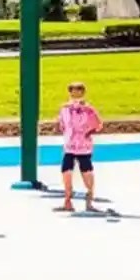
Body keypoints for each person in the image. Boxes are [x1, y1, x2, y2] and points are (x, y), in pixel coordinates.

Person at [57, 82, 103, 212]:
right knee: (66, 171)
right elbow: (62, 124)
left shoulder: (89, 110)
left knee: (87, 171)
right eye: (73, 91)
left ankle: (89, 201)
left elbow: (98, 125)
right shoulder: (64, 109)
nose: (76, 94)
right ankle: (67, 201)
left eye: (79, 91)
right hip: (69, 146)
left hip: (83, 146)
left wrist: (88, 133)